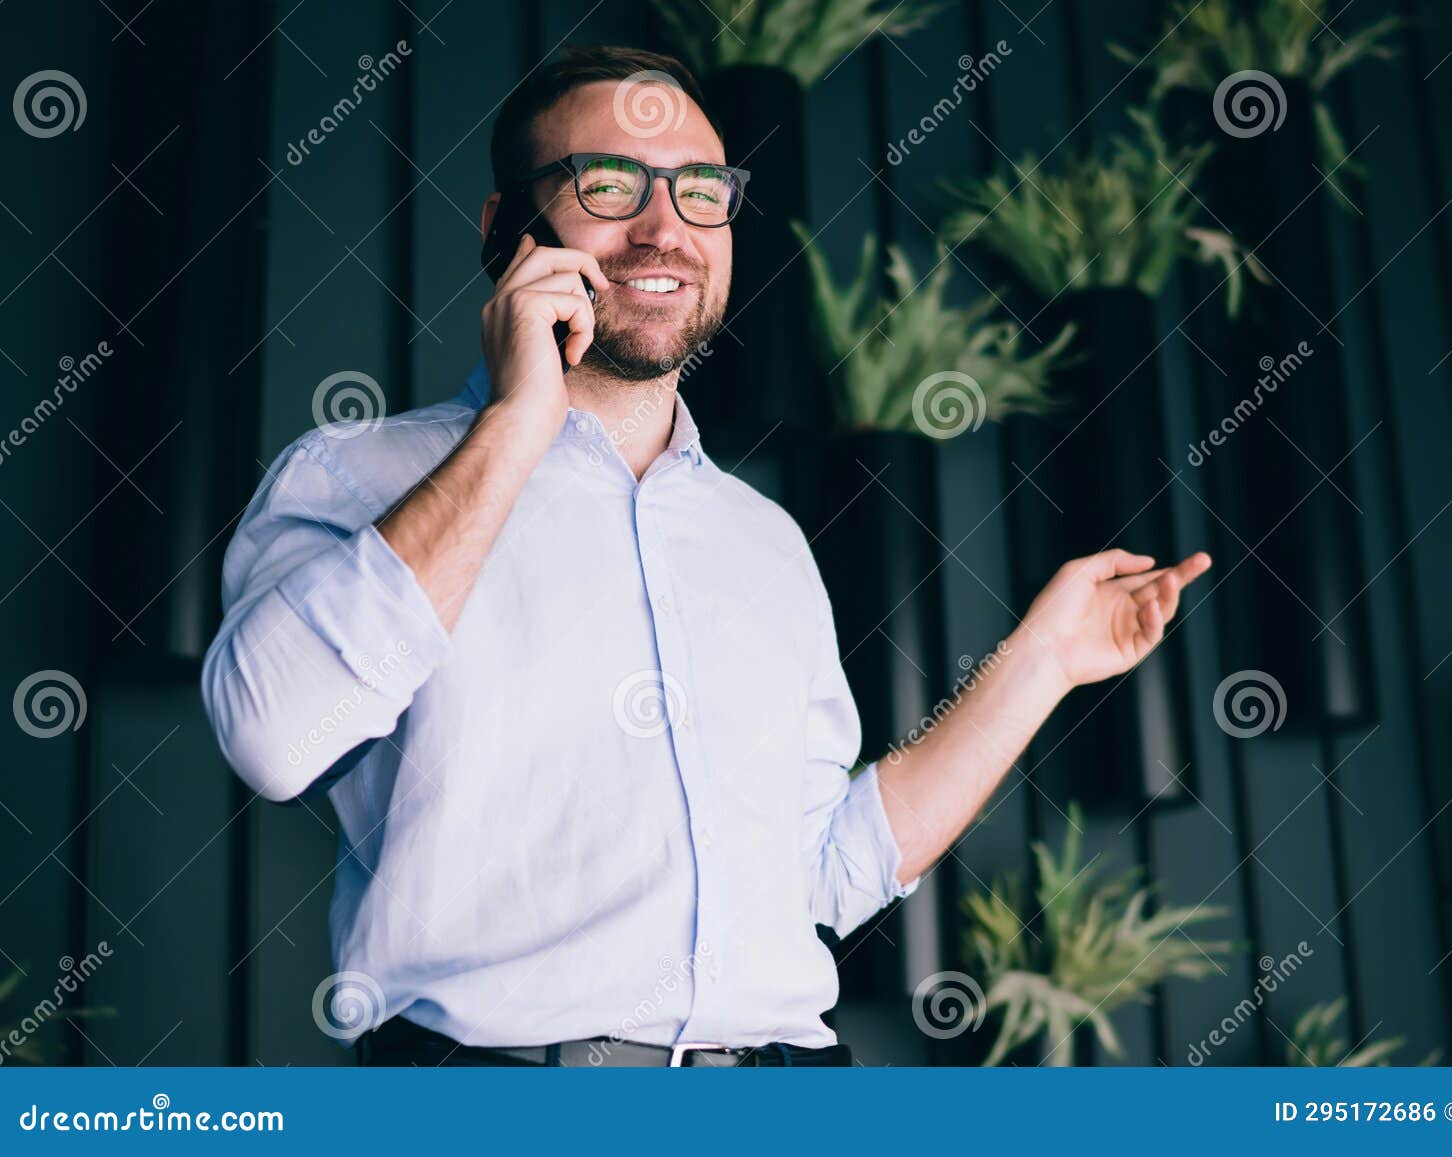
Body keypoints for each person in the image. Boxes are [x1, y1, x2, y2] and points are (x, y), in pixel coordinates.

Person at [200, 44, 1211, 1067]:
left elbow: (824, 870)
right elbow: (274, 739)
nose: (664, 229)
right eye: (608, 184)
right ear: (504, 229)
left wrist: (1042, 660)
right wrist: (516, 422)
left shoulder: (762, 540)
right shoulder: (357, 473)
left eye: (700, 191)